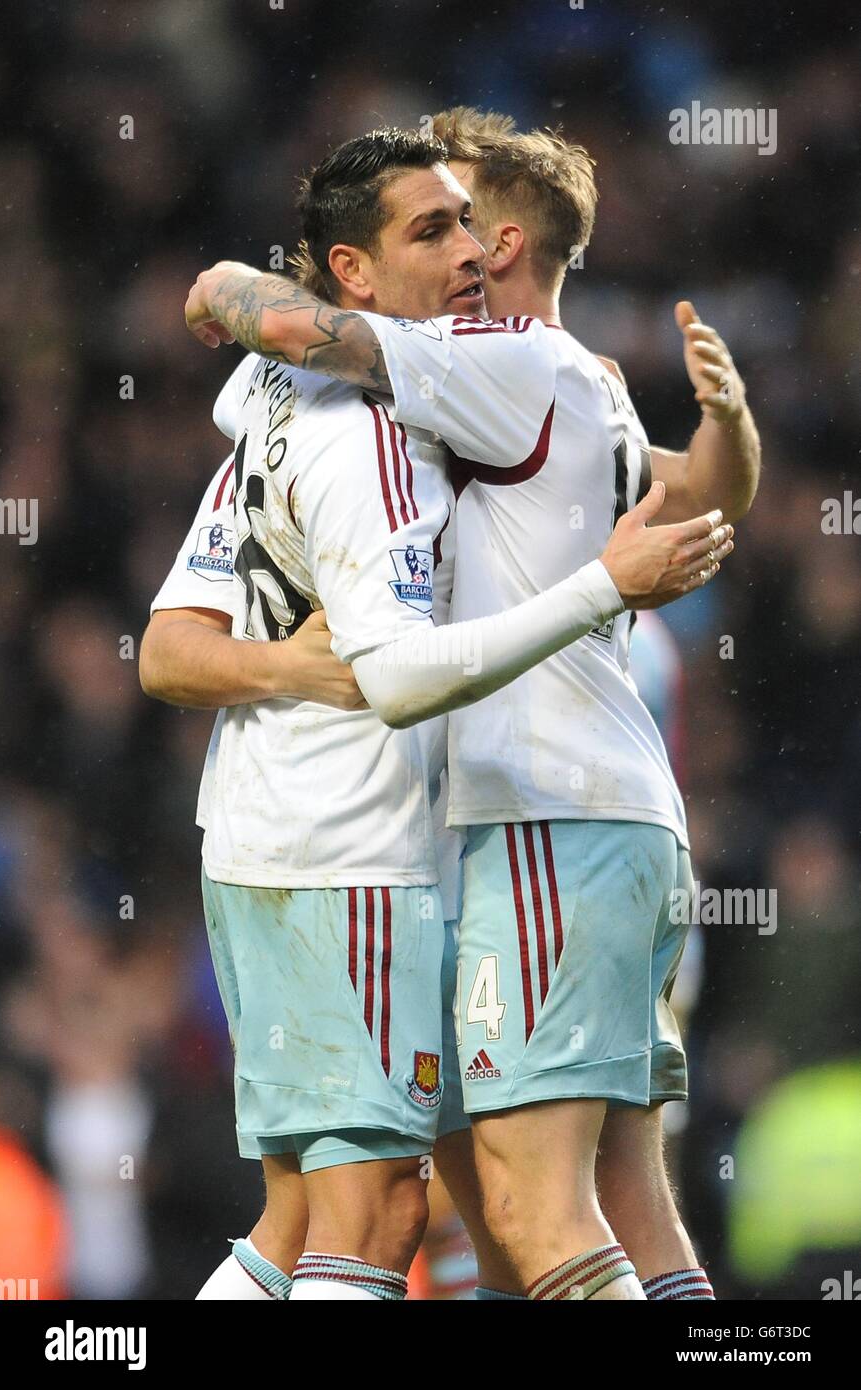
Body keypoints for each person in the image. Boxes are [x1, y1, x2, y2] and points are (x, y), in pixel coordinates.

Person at [185, 111, 757, 1301]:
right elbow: (701, 491)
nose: (450, 246)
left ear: (498, 245)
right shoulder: (576, 381)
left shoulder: (494, 365)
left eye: (458, 219)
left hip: (534, 817)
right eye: (423, 220)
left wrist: (218, 286)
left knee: (498, 1211)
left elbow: (289, 333)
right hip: (580, 817)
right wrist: (733, 432)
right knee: (593, 1205)